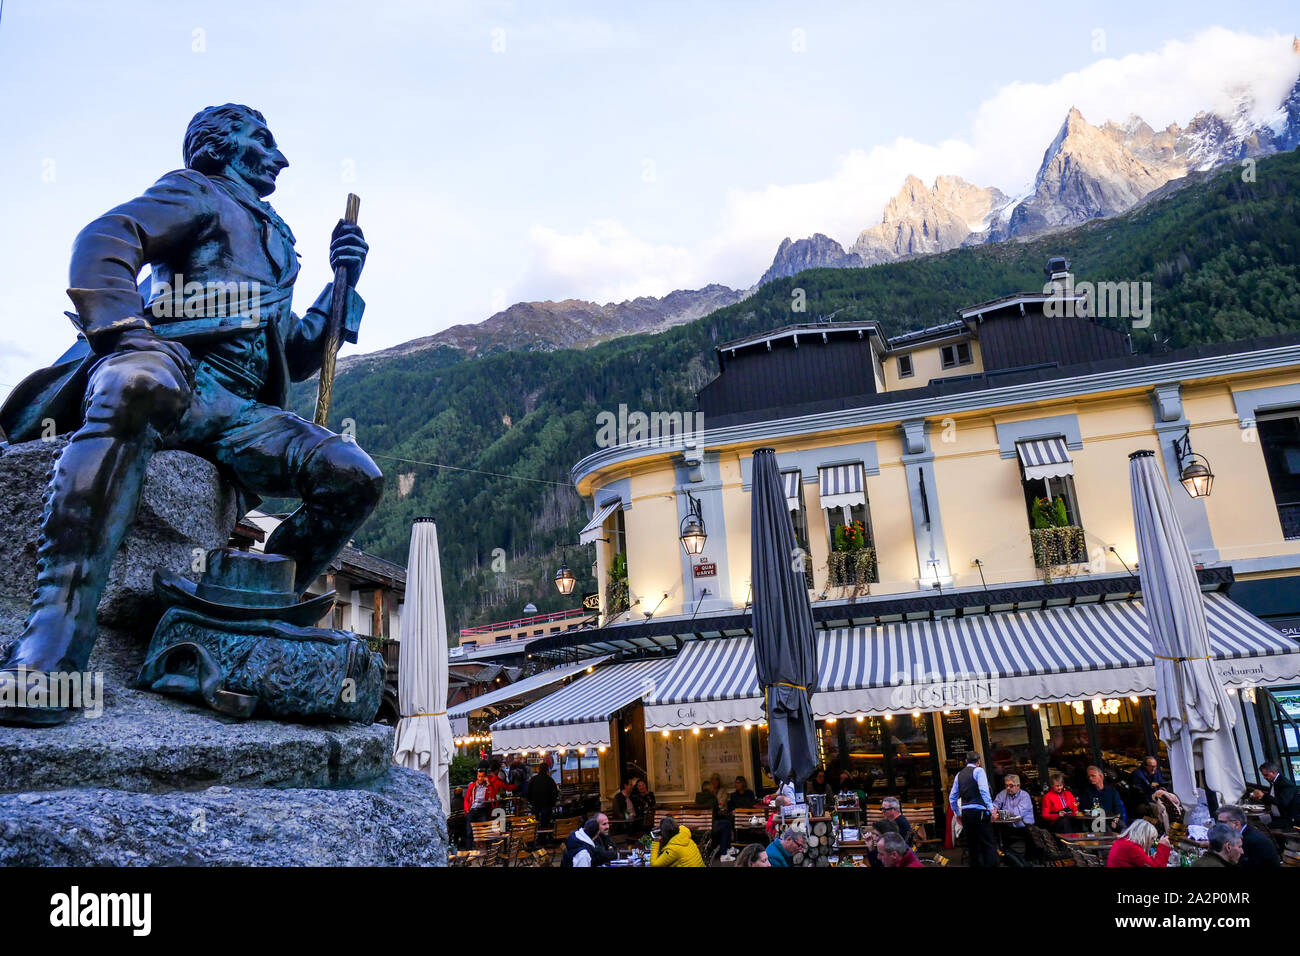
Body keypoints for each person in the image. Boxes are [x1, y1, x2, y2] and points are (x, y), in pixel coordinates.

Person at [0, 104, 383, 725]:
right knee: (137, 384)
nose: (279, 158)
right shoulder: (196, 192)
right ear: (216, 147)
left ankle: (248, 613)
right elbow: (106, 237)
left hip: (240, 411)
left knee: (352, 474)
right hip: (176, 371)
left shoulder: (277, 240)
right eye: (263, 140)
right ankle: (56, 638)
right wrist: (127, 335)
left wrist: (341, 287)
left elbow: (292, 350)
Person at [948, 751, 998, 867]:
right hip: (979, 812)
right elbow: (984, 791)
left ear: (966, 761)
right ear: (979, 762)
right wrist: (992, 810)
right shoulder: (979, 771)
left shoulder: (959, 775)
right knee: (988, 844)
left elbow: (952, 797)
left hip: (965, 813)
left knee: (972, 846)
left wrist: (958, 813)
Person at [1215, 804, 1281, 867]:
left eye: (1222, 823)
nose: (1218, 826)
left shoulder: (1250, 840)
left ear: (1236, 824)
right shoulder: (1245, 832)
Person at [463, 762, 509, 845]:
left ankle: (486, 849)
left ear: (485, 777)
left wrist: (488, 783)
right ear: (477, 777)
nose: (480, 778)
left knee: (486, 829)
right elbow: (466, 799)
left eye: (482, 777)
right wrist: (466, 810)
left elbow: (492, 795)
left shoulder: (487, 786)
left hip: (482, 810)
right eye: (479, 776)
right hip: (472, 809)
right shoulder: (472, 786)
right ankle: (468, 850)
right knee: (469, 831)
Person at [1250, 761, 1300, 826]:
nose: (1265, 778)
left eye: (1266, 775)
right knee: (1256, 820)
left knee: (1262, 826)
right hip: (1275, 816)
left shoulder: (1286, 784)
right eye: (1263, 776)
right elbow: (1272, 800)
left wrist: (1263, 795)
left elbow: (1282, 802)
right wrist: (1260, 797)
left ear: (1273, 772)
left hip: (1287, 819)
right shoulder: (1274, 782)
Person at [1106, 819, 1172, 867]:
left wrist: (1153, 858)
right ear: (1143, 836)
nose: (1152, 842)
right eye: (1151, 839)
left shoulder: (1124, 842)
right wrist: (1163, 847)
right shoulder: (1131, 847)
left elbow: (1144, 862)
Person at [1080, 765, 1127, 830]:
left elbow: (1118, 808)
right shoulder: (1087, 792)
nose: (1090, 778)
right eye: (1089, 776)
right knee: (1105, 827)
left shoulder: (1112, 791)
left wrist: (1115, 820)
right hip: (1095, 820)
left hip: (1111, 819)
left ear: (1101, 777)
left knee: (1123, 827)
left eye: (1093, 776)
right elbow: (1084, 808)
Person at [525, 761, 559, 838]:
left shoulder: (533, 779)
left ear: (539, 769)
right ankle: (543, 838)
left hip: (535, 805)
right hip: (547, 805)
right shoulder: (550, 780)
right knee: (545, 822)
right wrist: (552, 804)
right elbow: (555, 793)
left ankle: (534, 837)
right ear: (547, 770)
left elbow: (527, 793)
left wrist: (531, 802)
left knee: (535, 822)